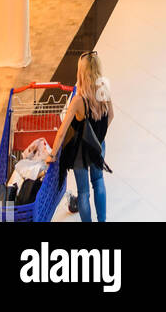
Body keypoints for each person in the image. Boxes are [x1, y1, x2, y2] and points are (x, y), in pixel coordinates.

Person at [47, 50, 113, 223]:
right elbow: (111, 115)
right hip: (98, 146)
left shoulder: (78, 100)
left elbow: (62, 131)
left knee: (83, 192)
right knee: (98, 181)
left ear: (81, 73)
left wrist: (52, 155)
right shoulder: (104, 89)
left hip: (80, 153)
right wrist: (97, 136)